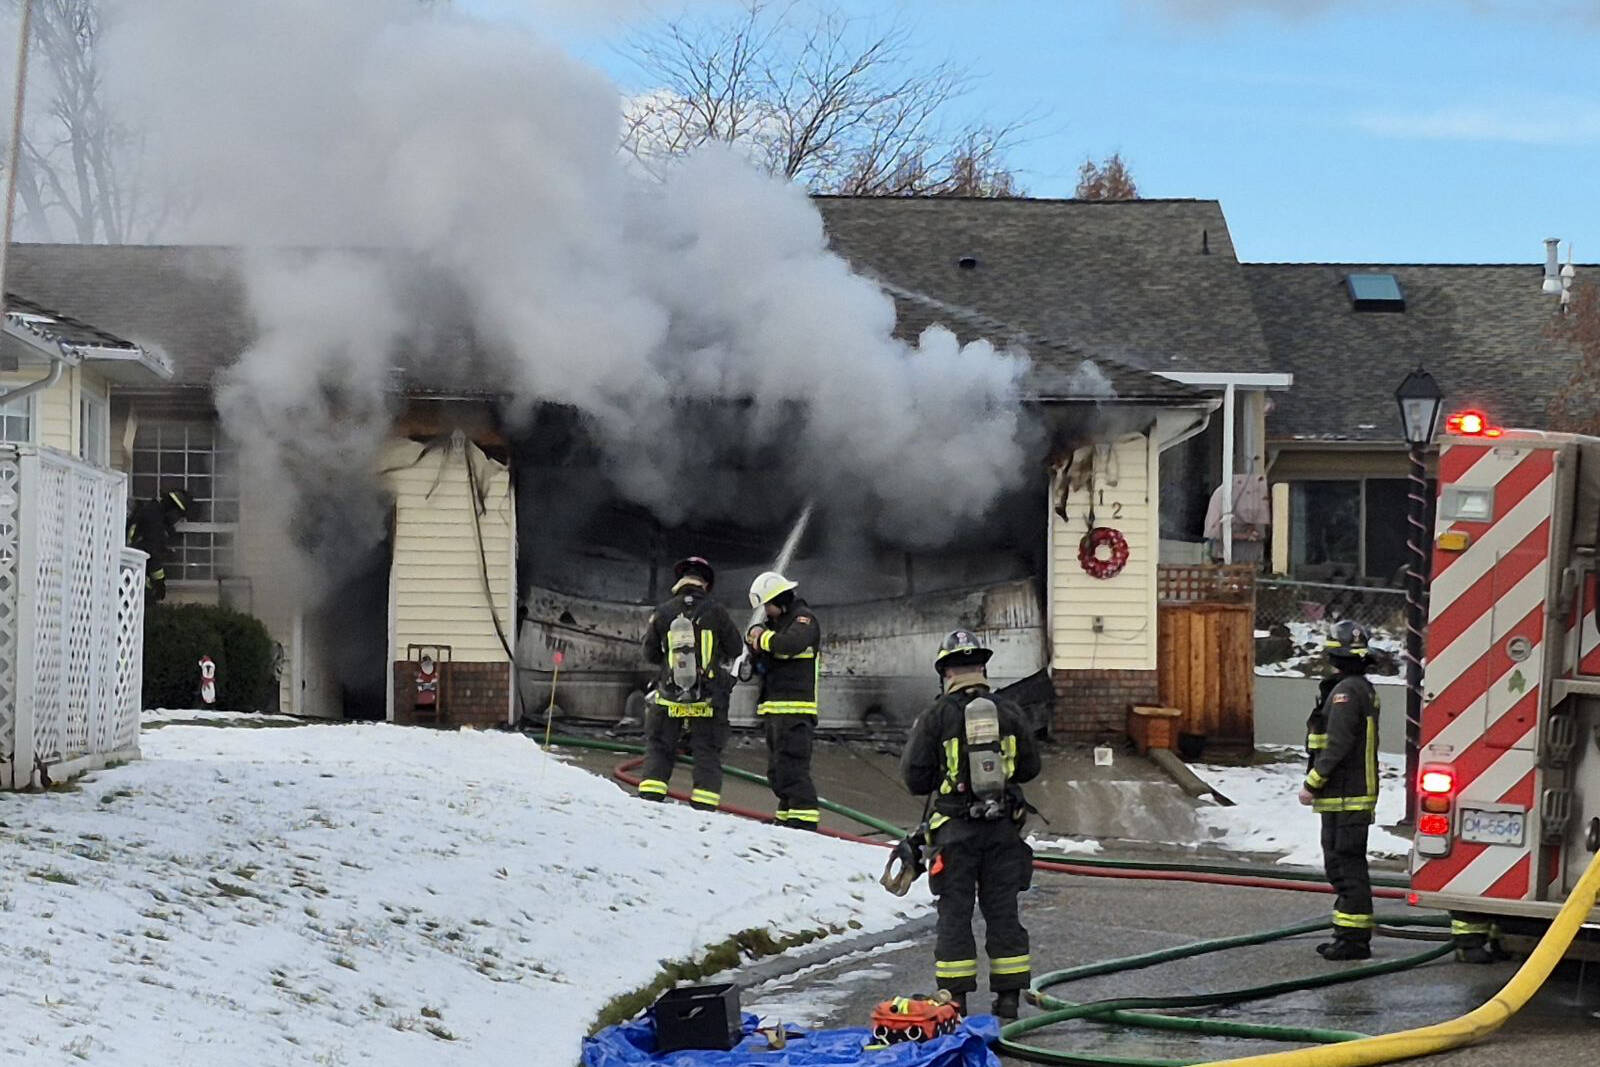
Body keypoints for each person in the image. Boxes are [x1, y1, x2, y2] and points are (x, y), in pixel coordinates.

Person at [900, 629, 1041, 1020]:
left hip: (954, 834)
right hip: (1002, 833)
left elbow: (914, 779)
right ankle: (1009, 998)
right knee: (1003, 911)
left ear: (946, 672)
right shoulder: (1009, 710)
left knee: (955, 913)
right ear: (982, 667)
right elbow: (1030, 768)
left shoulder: (935, 715)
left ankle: (955, 1001)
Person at [1299, 619, 1381, 961]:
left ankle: (1353, 941)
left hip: (1345, 796)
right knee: (1343, 866)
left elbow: (1338, 744)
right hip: (1343, 797)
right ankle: (1347, 934)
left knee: (1345, 867)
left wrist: (1312, 782)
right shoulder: (1353, 687)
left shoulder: (1347, 692)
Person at [638, 556, 742, 811]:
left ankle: (649, 804)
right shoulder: (716, 611)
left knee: (660, 748)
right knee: (707, 752)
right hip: (707, 700)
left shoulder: (663, 612)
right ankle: (703, 811)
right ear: (705, 584)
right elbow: (736, 648)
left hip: (670, 699)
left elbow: (650, 654)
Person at [747, 570, 821, 830]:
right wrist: (754, 642)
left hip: (796, 710)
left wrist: (761, 638)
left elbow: (790, 644)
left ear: (780, 599)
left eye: (767, 605)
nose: (766, 611)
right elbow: (766, 656)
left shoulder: (804, 620)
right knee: (778, 771)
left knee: (793, 771)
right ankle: (786, 819)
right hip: (776, 710)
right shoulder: (776, 626)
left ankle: (804, 824)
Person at [126, 486, 192, 602]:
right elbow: (152, 552)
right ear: (172, 509)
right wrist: (159, 583)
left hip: (131, 567)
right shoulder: (154, 520)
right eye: (178, 515)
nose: (177, 520)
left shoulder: (153, 512)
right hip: (134, 571)